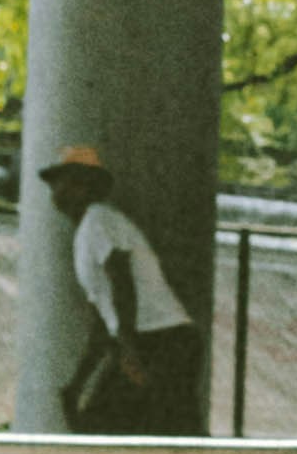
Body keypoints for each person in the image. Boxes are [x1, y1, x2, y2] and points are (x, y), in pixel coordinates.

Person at [39, 145, 202, 432]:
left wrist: (130, 352)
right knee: (149, 428)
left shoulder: (100, 219)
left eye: (64, 182)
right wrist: (78, 382)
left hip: (162, 339)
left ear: (84, 187)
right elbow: (102, 323)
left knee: (124, 427)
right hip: (147, 341)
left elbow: (121, 280)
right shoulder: (86, 234)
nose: (57, 190)